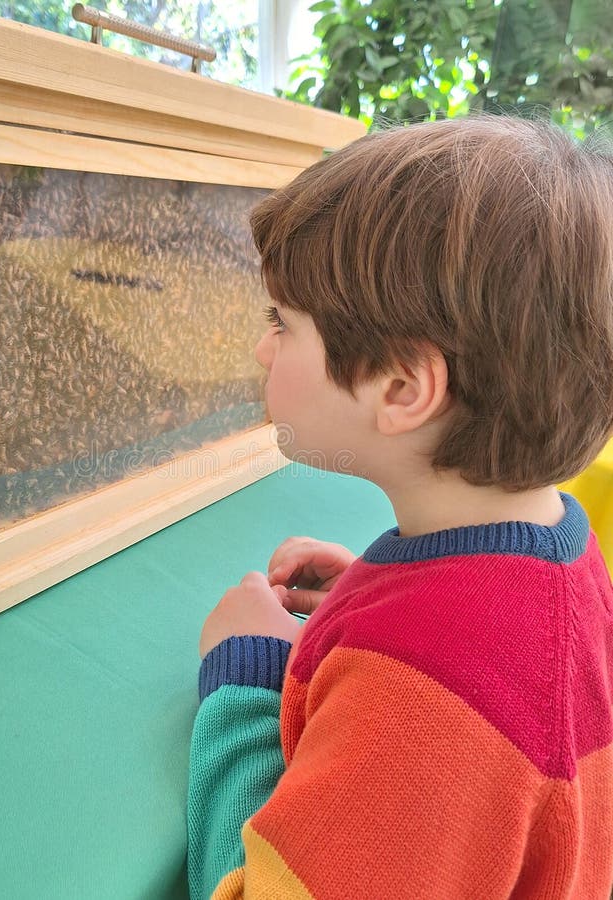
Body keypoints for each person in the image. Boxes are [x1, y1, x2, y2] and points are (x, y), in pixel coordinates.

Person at [187, 115, 613, 899]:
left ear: (402, 389)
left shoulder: (422, 708)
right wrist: (374, 602)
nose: (262, 348)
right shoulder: (572, 555)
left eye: (283, 323)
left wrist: (243, 681)